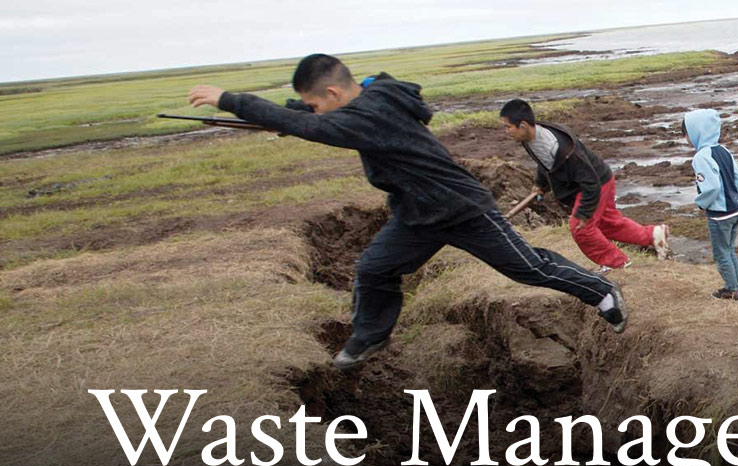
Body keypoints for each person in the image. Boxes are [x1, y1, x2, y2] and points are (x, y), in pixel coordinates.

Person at [186, 54, 628, 370]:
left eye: (316, 103)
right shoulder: (377, 93)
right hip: (417, 214)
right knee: (374, 268)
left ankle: (601, 291)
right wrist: (290, 115)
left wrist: (232, 100)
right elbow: (312, 116)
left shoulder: (366, 115)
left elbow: (313, 125)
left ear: (335, 92)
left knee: (529, 267)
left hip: (461, 206)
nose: (315, 112)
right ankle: (371, 337)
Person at [499, 99, 670, 273]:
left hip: (596, 182)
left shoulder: (561, 149)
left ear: (523, 125)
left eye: (508, 127)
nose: (506, 132)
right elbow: (545, 164)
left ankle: (617, 264)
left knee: (581, 228)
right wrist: (540, 184)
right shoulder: (530, 140)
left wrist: (584, 213)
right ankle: (654, 235)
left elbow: (590, 181)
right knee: (609, 224)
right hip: (590, 181)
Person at [682, 109, 738, 300]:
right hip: (735, 210)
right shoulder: (724, 151)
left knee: (721, 254)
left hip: (719, 215)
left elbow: (711, 188)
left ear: (697, 132)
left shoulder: (701, 157)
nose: (686, 139)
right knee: (730, 249)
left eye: (687, 134)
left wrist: (701, 204)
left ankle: (731, 289)